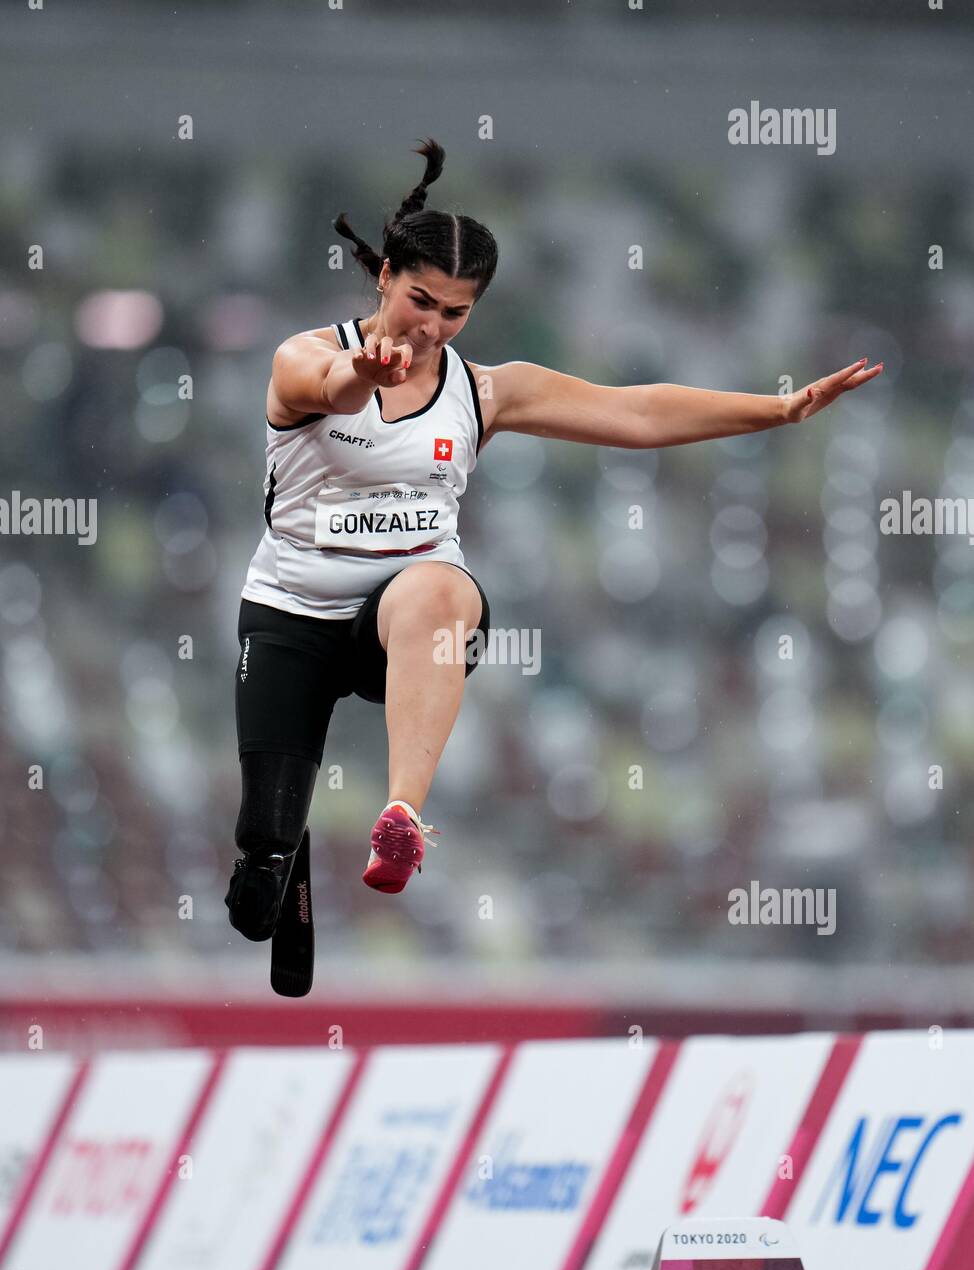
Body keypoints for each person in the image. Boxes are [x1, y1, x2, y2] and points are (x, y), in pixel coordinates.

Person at [226, 135, 883, 958]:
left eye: (454, 312)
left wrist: (775, 409)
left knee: (439, 586)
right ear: (385, 276)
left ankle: (401, 818)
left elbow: (636, 412)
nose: (431, 326)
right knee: (256, 887)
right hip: (292, 612)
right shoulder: (307, 356)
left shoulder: (485, 391)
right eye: (419, 301)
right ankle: (280, 864)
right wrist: (366, 373)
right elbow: (323, 389)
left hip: (402, 620)